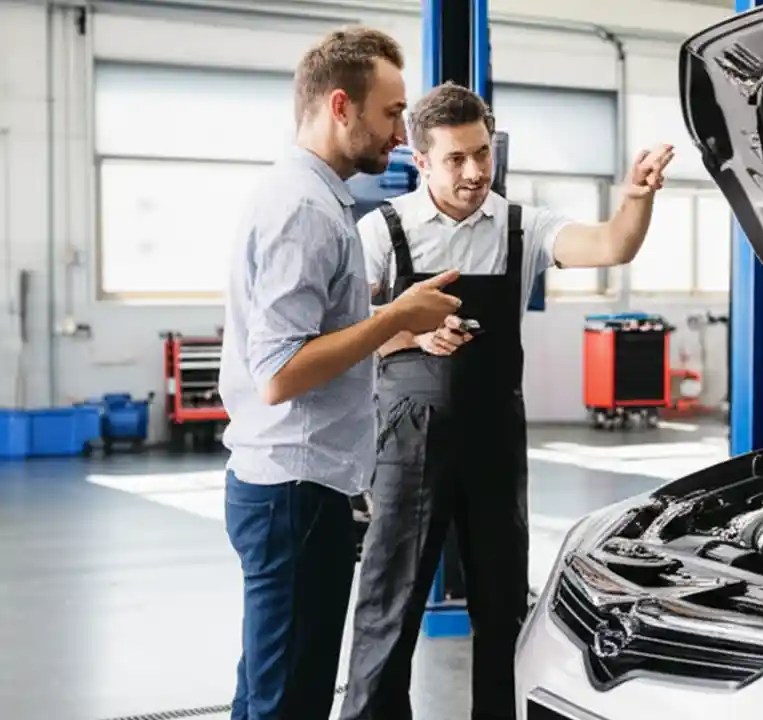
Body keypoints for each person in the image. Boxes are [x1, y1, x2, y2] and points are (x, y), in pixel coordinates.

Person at [339, 82, 675, 720]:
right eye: (456, 159)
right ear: (421, 159)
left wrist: (634, 198)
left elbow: (611, 246)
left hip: (495, 438)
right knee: (390, 600)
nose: (473, 172)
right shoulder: (382, 232)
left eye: (482, 154)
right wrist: (405, 330)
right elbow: (344, 337)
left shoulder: (523, 225)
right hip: (409, 442)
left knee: (500, 606)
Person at [217, 27, 465, 720]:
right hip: (295, 494)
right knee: (287, 703)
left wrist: (399, 325)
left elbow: (320, 340)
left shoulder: (315, 197)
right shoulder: (303, 208)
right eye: (391, 114)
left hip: (296, 489)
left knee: (269, 693)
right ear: (339, 106)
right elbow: (280, 372)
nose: (400, 133)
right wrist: (394, 318)